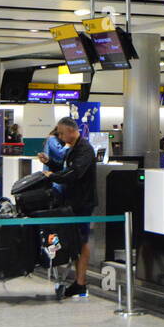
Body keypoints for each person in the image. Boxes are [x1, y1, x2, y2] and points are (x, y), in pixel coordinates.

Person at [42, 117, 95, 299]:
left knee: (82, 240)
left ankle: (81, 283)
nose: (61, 136)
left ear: (72, 131)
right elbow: (64, 167)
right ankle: (77, 281)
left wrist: (52, 176)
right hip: (71, 201)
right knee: (74, 240)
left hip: (82, 203)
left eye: (62, 133)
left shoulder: (85, 150)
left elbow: (74, 172)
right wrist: (49, 163)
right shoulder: (71, 148)